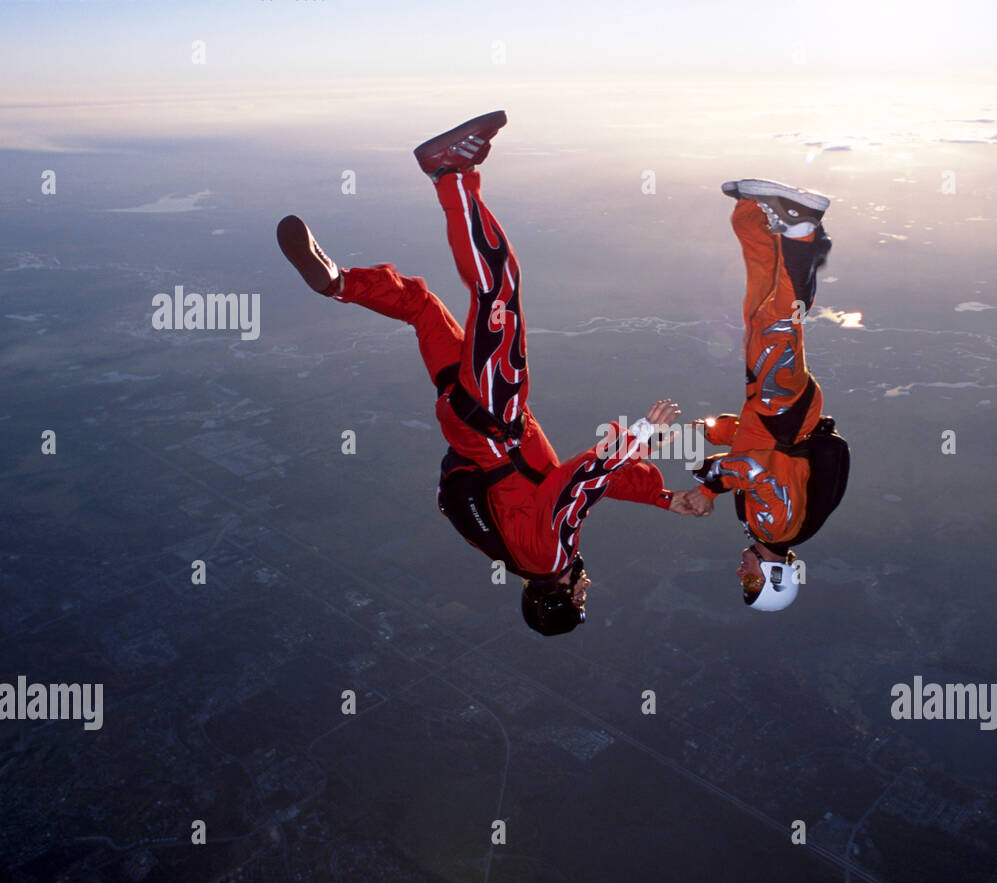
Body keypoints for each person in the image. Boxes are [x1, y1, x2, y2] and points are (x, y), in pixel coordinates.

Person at [276, 110, 697, 636]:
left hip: (498, 415)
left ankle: (449, 173)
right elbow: (566, 487)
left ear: (560, 596)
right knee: (423, 308)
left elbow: (577, 486)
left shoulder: (550, 556)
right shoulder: (515, 554)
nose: (587, 589)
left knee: (498, 287)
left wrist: (639, 437)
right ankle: (339, 283)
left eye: (580, 600)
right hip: (463, 418)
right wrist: (661, 497)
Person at [682, 179, 850, 612]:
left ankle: (755, 214)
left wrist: (712, 431)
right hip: (783, 414)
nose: (742, 575)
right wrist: (709, 486)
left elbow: (757, 453)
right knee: (779, 322)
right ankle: (803, 228)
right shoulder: (776, 528)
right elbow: (760, 471)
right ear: (775, 576)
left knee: (761, 309)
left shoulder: (763, 527)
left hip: (770, 414)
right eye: (752, 583)